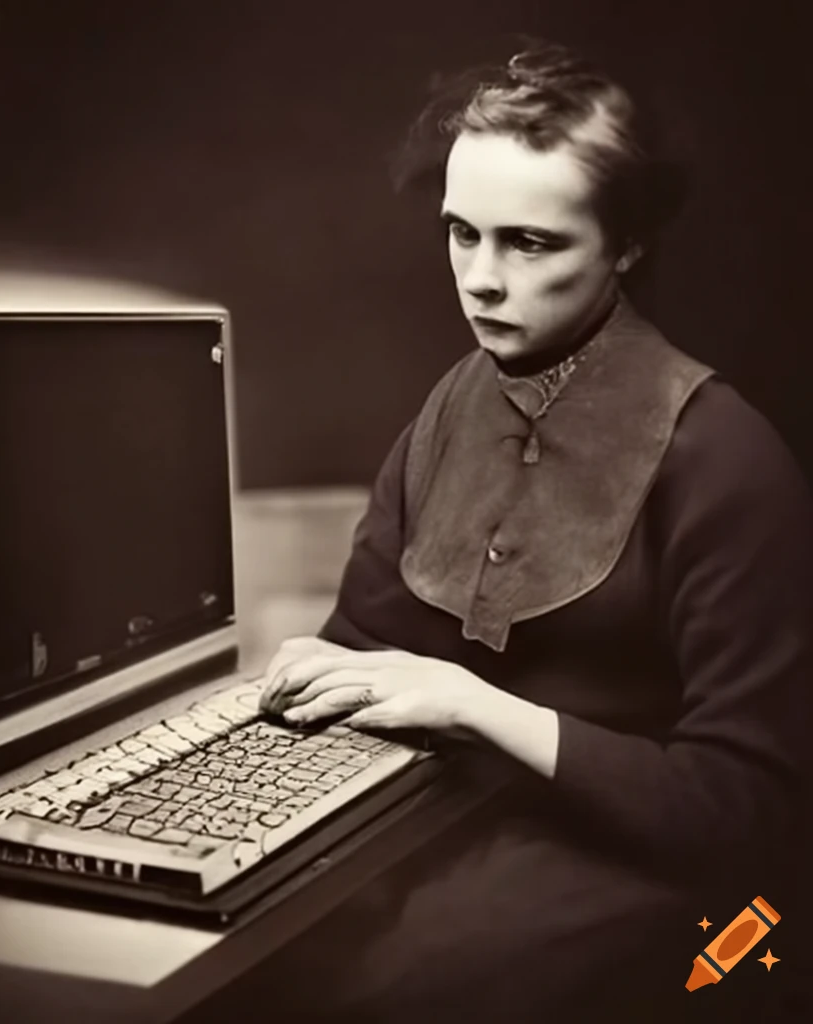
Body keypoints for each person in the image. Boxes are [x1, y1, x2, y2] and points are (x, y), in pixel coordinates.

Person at [184, 41, 813, 1024]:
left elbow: (746, 816)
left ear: (626, 244)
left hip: (677, 888)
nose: (480, 279)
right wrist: (303, 681)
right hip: (439, 827)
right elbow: (367, 649)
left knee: (393, 994)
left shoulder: (727, 460)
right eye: (460, 233)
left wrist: (471, 703)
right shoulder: (446, 415)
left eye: (530, 243)